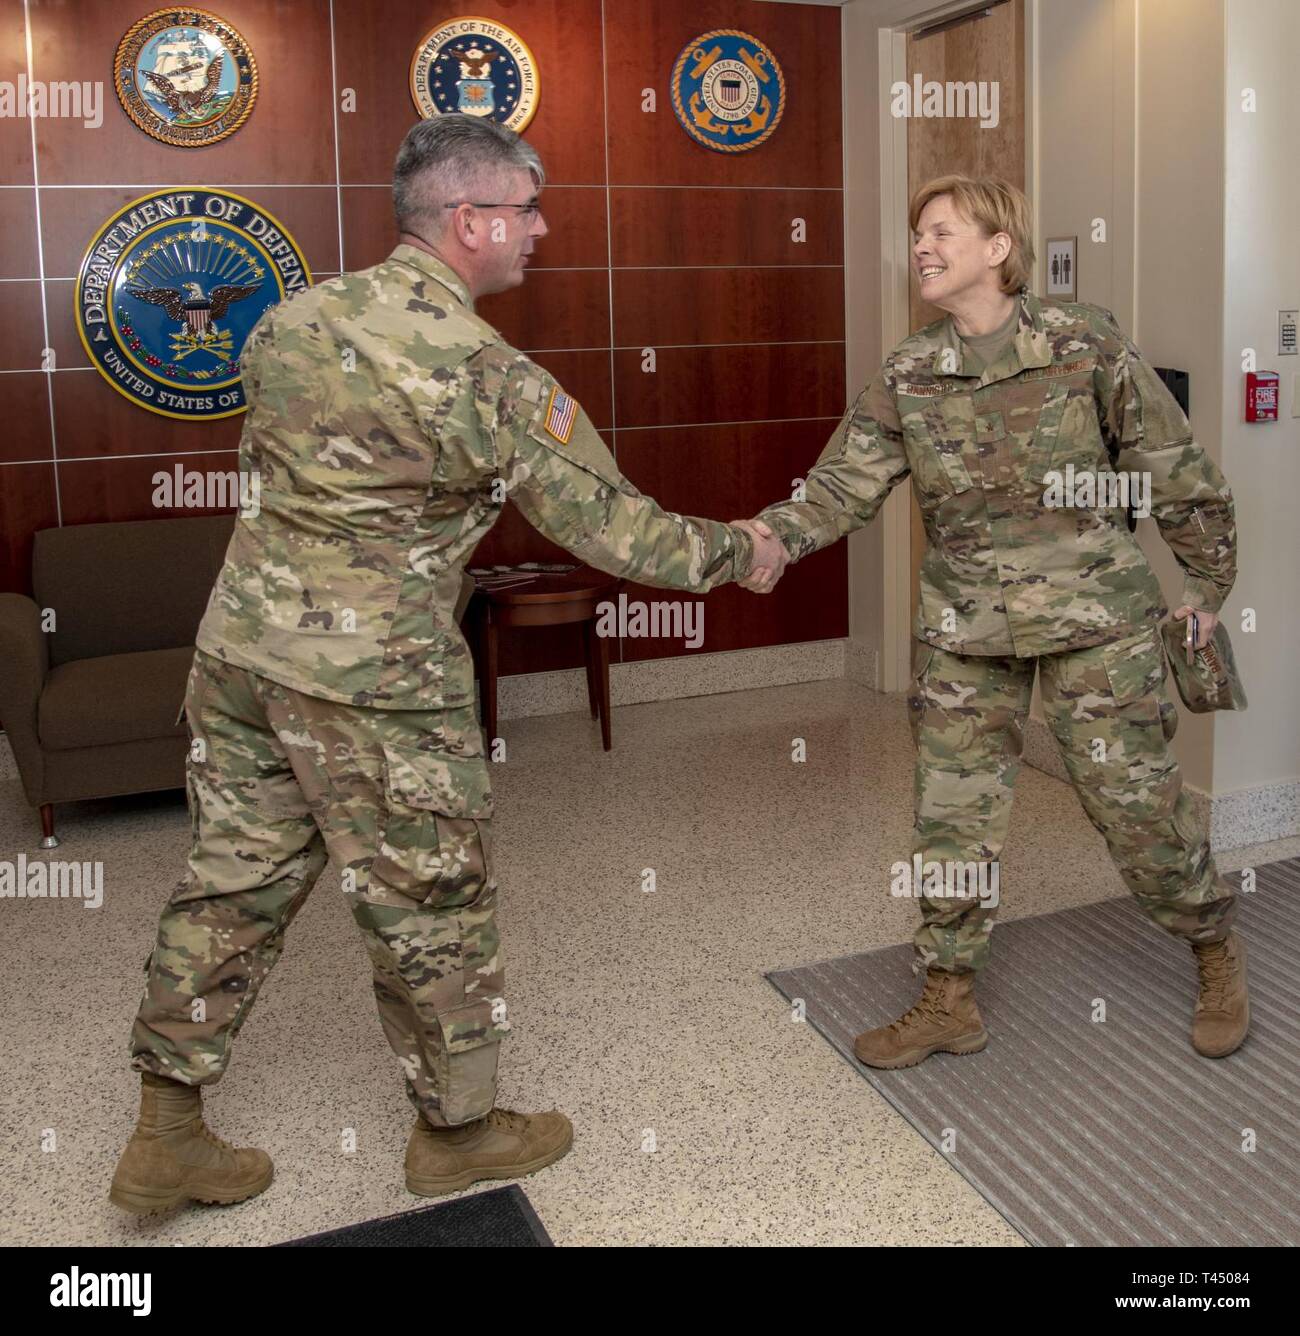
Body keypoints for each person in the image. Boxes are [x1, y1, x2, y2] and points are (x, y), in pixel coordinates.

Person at [109, 115, 784, 1214]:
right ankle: (457, 1133)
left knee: (231, 881)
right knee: (431, 904)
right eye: (525, 211)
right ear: (470, 222)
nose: (540, 229)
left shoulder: (289, 318)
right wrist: (742, 553)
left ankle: (166, 1131)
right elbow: (618, 531)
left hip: (241, 657)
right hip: (377, 685)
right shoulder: (487, 374)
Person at [745, 175, 1246, 1070]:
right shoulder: (910, 371)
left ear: (998, 246)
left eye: (940, 231)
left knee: (1134, 809)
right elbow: (839, 488)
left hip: (1096, 621)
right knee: (952, 817)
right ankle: (948, 998)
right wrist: (769, 541)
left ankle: (1213, 945)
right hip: (967, 631)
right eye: (917, 235)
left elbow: (1171, 463)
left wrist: (1205, 591)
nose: (922, 248)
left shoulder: (1080, 341)